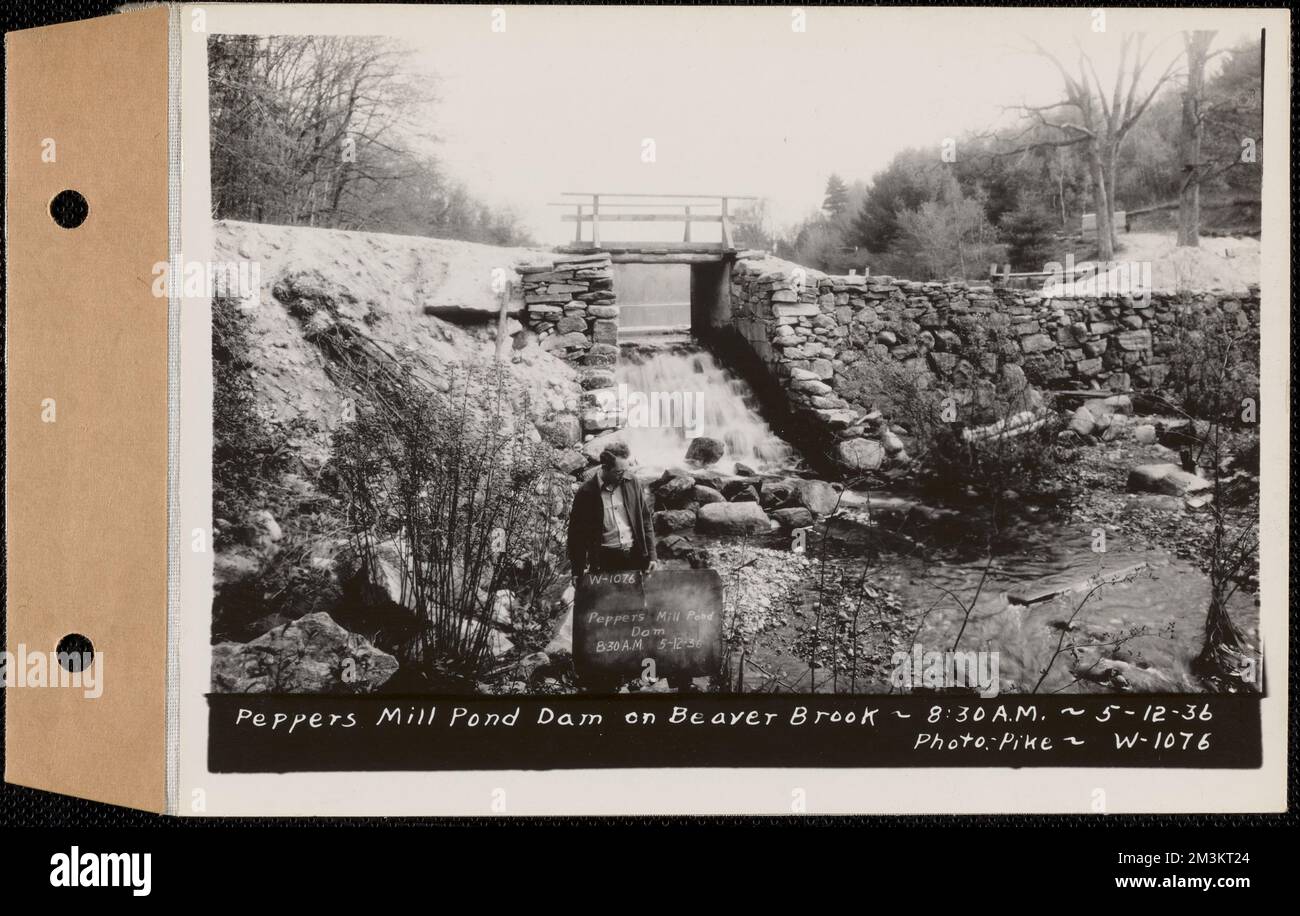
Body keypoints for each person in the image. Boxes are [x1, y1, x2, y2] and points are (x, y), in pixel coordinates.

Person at [567, 441, 658, 576]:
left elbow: (645, 520)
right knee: (607, 598)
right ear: (605, 467)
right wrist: (577, 571)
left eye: (626, 470)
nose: (623, 476)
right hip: (604, 561)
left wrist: (652, 555)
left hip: (635, 556)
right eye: (618, 472)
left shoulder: (632, 481)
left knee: (636, 597)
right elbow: (576, 536)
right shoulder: (586, 492)